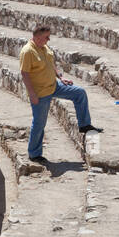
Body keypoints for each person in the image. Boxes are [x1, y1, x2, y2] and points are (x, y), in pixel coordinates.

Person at [20, 23, 102, 165]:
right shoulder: (27, 52)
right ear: (38, 37)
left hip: (54, 85)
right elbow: (24, 73)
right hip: (40, 92)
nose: (48, 40)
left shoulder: (44, 47)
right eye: (46, 37)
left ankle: (84, 124)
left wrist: (60, 77)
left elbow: (51, 64)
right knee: (39, 123)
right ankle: (34, 154)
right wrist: (32, 94)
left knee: (79, 93)